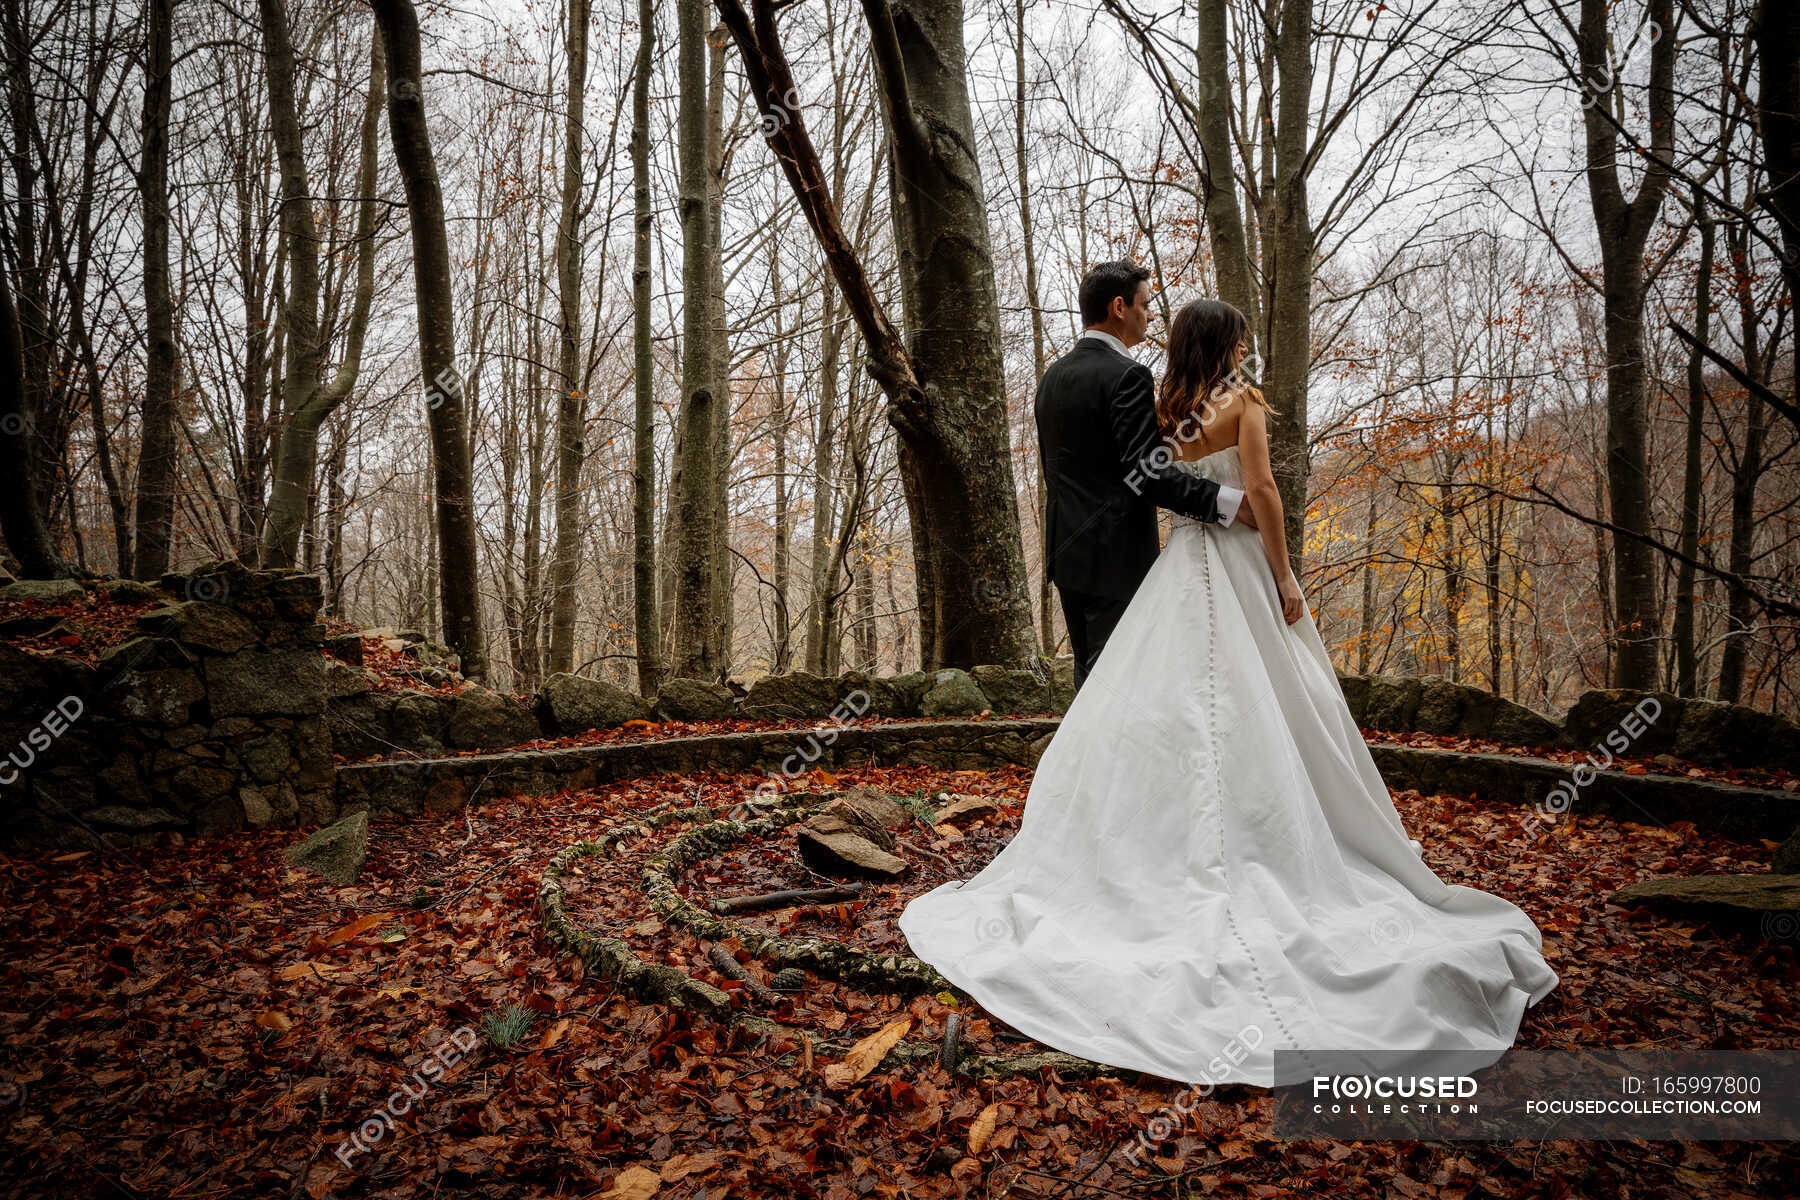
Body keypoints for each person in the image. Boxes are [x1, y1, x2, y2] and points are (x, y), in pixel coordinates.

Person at [897, 296, 1558, 1088]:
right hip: (1239, 569)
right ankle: (1270, 838)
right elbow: (1265, 491)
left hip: (1181, 569)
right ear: (1228, 344)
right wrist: (1283, 574)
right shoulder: (1241, 402)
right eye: (1243, 336)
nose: (1249, 346)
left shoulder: (1170, 404)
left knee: (1168, 714)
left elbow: (1158, 482)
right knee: (1271, 709)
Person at [1033, 261, 1254, 692]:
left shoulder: (1053, 378)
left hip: (1067, 552)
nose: (1150, 315)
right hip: (1116, 557)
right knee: (1121, 684)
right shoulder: (1128, 376)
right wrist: (1227, 501)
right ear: (1119, 307)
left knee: (1091, 681)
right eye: (1145, 304)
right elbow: (1146, 474)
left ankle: (1084, 760)